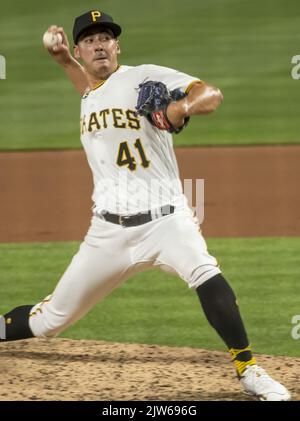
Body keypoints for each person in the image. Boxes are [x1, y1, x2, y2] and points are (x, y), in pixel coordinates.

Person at [0, 10, 290, 401]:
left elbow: (211, 94)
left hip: (167, 221)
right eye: (89, 40)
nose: (99, 44)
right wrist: (62, 62)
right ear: (80, 51)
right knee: (49, 321)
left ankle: (248, 369)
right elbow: (91, 91)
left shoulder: (144, 77)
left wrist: (179, 109)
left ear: (117, 45)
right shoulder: (90, 92)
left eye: (105, 37)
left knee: (206, 274)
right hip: (107, 233)